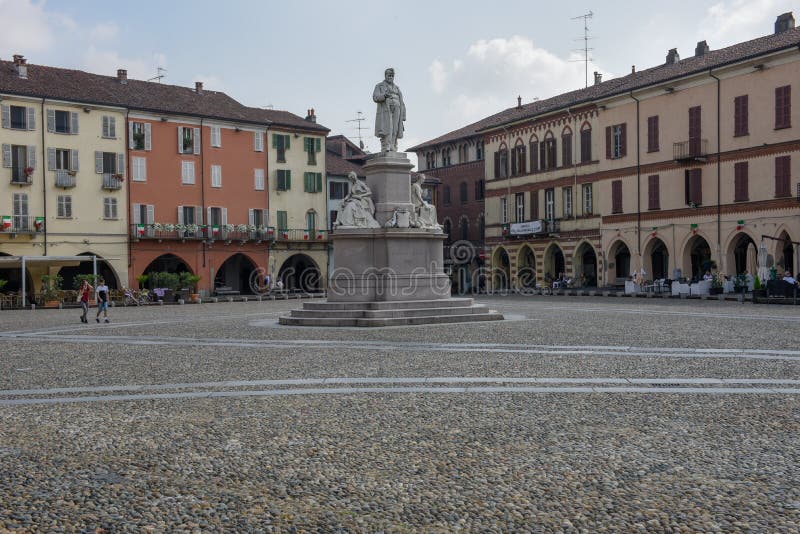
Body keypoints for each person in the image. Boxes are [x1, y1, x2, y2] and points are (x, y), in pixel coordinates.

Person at [373, 68, 405, 153]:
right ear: (385, 76)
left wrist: (404, 115)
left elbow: (402, 102)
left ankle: (393, 146)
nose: (390, 77)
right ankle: (386, 145)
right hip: (386, 110)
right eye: (389, 75)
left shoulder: (397, 88)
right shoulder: (379, 86)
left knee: (395, 128)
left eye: (392, 76)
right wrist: (384, 96)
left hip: (397, 109)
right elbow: (375, 97)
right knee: (388, 127)